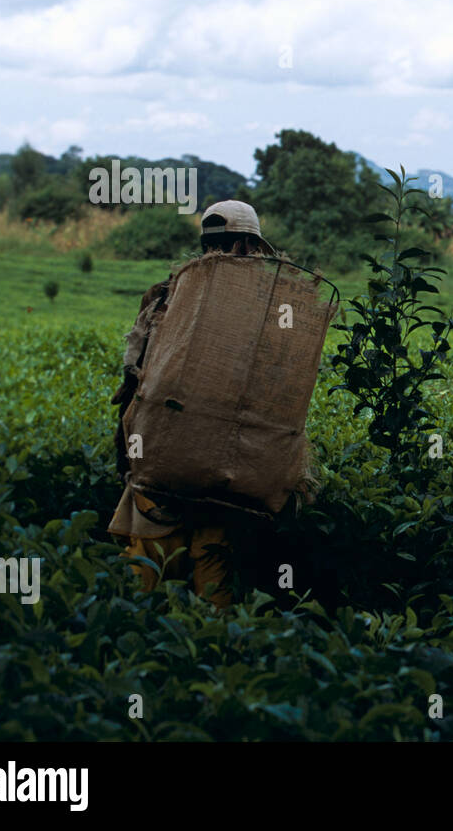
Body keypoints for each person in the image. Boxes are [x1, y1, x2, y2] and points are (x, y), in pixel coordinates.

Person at [108, 200, 277, 607]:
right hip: (224, 471)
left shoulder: (167, 293)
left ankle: (137, 654)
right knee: (211, 576)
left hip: (159, 462)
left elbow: (135, 376)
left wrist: (127, 451)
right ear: (246, 246)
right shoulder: (264, 305)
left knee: (145, 576)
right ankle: (208, 659)